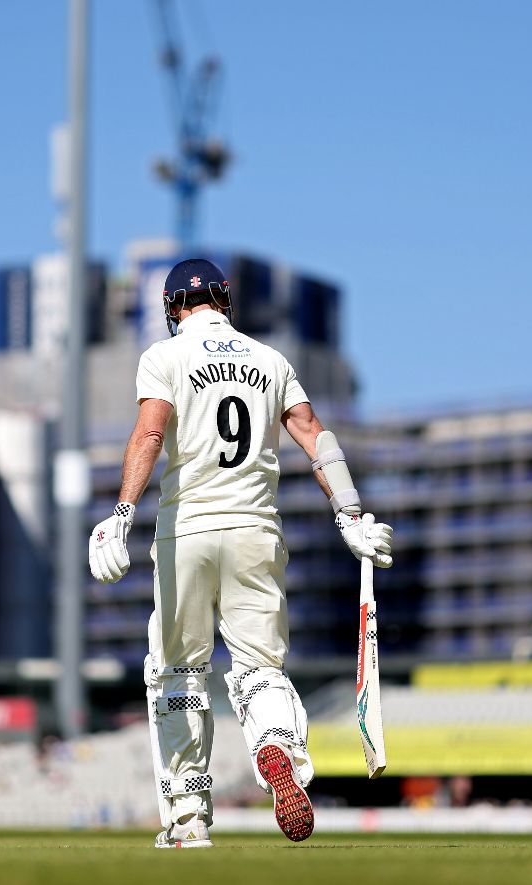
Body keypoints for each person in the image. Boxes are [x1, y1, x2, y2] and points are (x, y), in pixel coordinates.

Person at [88, 258, 393, 848]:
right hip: (256, 531)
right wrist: (350, 514)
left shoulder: (164, 357)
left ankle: (188, 820)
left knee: (178, 672)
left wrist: (121, 515)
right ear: (225, 301)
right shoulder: (271, 360)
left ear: (174, 307)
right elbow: (313, 435)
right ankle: (276, 745)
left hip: (189, 532)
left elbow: (150, 433)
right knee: (259, 669)